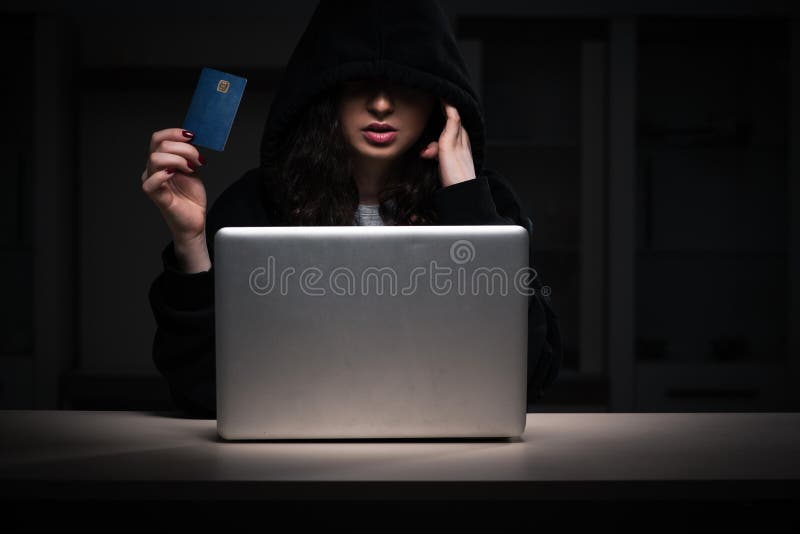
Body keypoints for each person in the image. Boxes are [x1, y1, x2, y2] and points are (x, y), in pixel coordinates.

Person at [142, 0, 563, 419]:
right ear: (326, 92)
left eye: (405, 83)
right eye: (360, 83)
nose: (381, 104)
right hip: (290, 462)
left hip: (442, 461)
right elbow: (198, 391)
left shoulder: (485, 202)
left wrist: (469, 205)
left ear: (441, 101)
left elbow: (531, 376)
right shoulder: (255, 203)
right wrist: (191, 242)